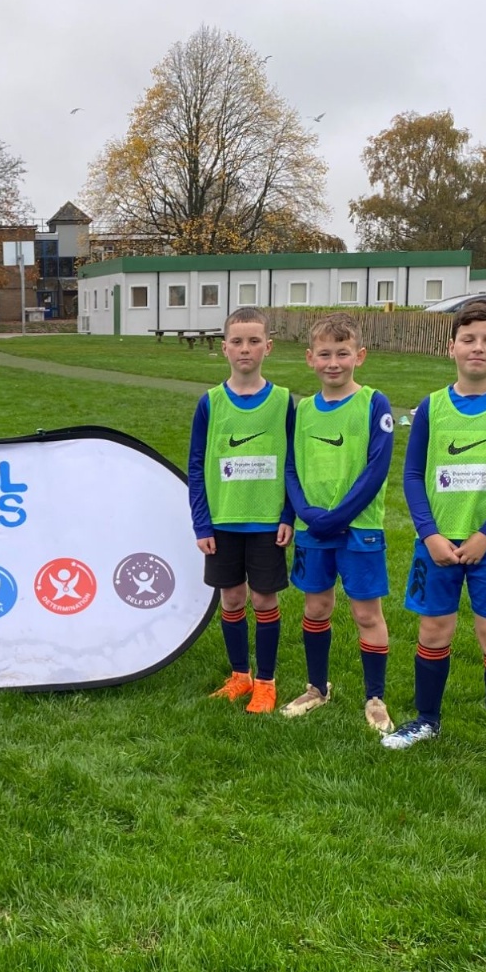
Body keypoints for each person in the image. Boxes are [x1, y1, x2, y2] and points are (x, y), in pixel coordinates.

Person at [384, 299, 486, 773]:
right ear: (451, 346)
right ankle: (427, 719)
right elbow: (412, 475)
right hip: (437, 544)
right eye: (469, 339)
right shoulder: (431, 406)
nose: (478, 348)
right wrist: (429, 533)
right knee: (434, 629)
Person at [282, 313, 395, 732]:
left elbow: (377, 467)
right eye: (325, 354)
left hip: (358, 529)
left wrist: (340, 516)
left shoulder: (373, 403)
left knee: (367, 614)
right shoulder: (303, 409)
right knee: (316, 607)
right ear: (310, 359)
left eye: (342, 353)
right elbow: (290, 467)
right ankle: (316, 687)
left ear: (359, 356)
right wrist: (306, 513)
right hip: (314, 529)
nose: (334, 362)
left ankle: (375, 697)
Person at [188, 306, 293, 714]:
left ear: (268, 347)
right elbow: (196, 465)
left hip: (267, 521)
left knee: (264, 601)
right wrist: (202, 522)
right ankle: (239, 676)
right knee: (231, 599)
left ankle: (266, 683)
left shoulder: (284, 402)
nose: (245, 349)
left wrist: (287, 515)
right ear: (224, 348)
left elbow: (292, 465)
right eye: (237, 341)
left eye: (253, 341)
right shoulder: (210, 403)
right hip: (223, 520)